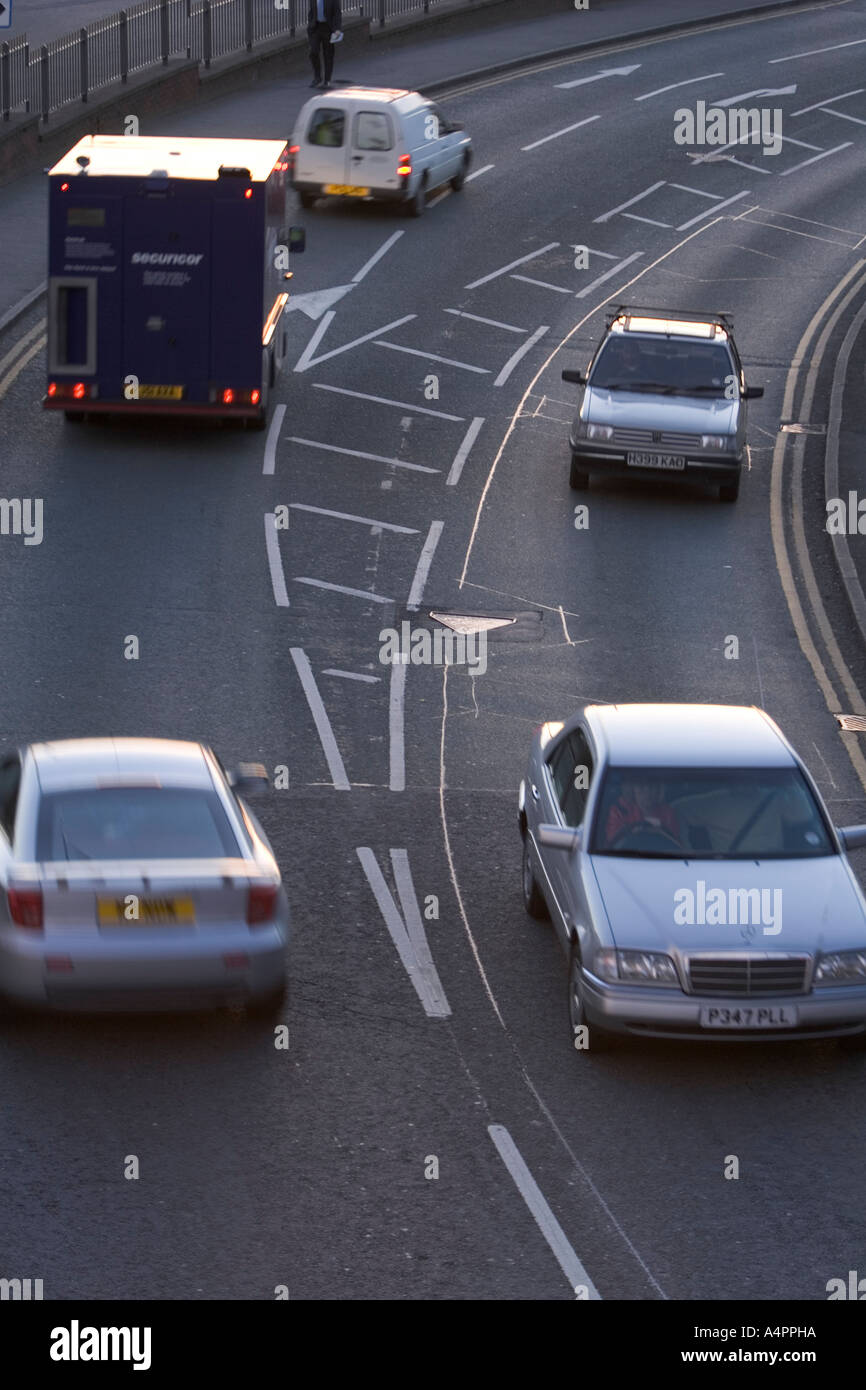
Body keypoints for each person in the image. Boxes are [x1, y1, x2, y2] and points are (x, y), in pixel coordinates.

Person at [605, 778, 680, 845]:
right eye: (641, 787)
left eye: (651, 787)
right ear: (632, 790)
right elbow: (614, 842)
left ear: (658, 790)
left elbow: (674, 843)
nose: (647, 793)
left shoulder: (667, 813)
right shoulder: (619, 811)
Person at [307, 0, 342, 90]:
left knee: (328, 55)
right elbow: (311, 11)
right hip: (316, 28)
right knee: (313, 52)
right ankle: (317, 77)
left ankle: (327, 80)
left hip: (328, 28)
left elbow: (337, 13)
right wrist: (310, 24)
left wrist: (337, 29)